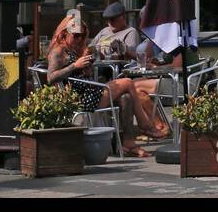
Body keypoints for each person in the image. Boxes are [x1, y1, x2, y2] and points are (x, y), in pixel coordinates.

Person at [45, 11, 168, 155]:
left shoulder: (74, 50)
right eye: (75, 35)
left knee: (126, 97)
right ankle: (145, 125)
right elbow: (50, 78)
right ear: (64, 33)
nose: (79, 39)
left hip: (89, 91)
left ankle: (129, 143)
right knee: (128, 82)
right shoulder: (58, 51)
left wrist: (87, 69)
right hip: (81, 98)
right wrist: (75, 66)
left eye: (82, 36)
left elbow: (78, 76)